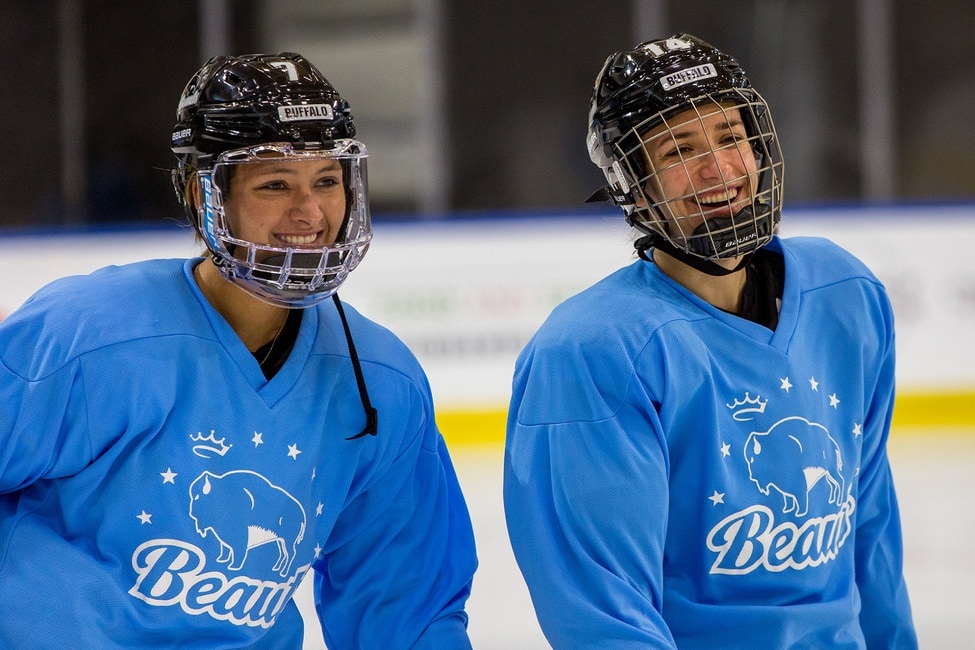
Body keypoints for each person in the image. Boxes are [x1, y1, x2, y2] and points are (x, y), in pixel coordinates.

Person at [0, 52, 476, 648]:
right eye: (275, 183)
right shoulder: (84, 335)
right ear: (204, 197)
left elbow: (405, 605)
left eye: (327, 180)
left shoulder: (379, 381)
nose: (310, 212)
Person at [503, 33, 917, 648]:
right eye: (680, 149)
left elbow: (869, 525)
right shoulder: (594, 350)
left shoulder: (845, 293)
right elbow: (603, 611)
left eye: (730, 137)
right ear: (634, 185)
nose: (719, 170)